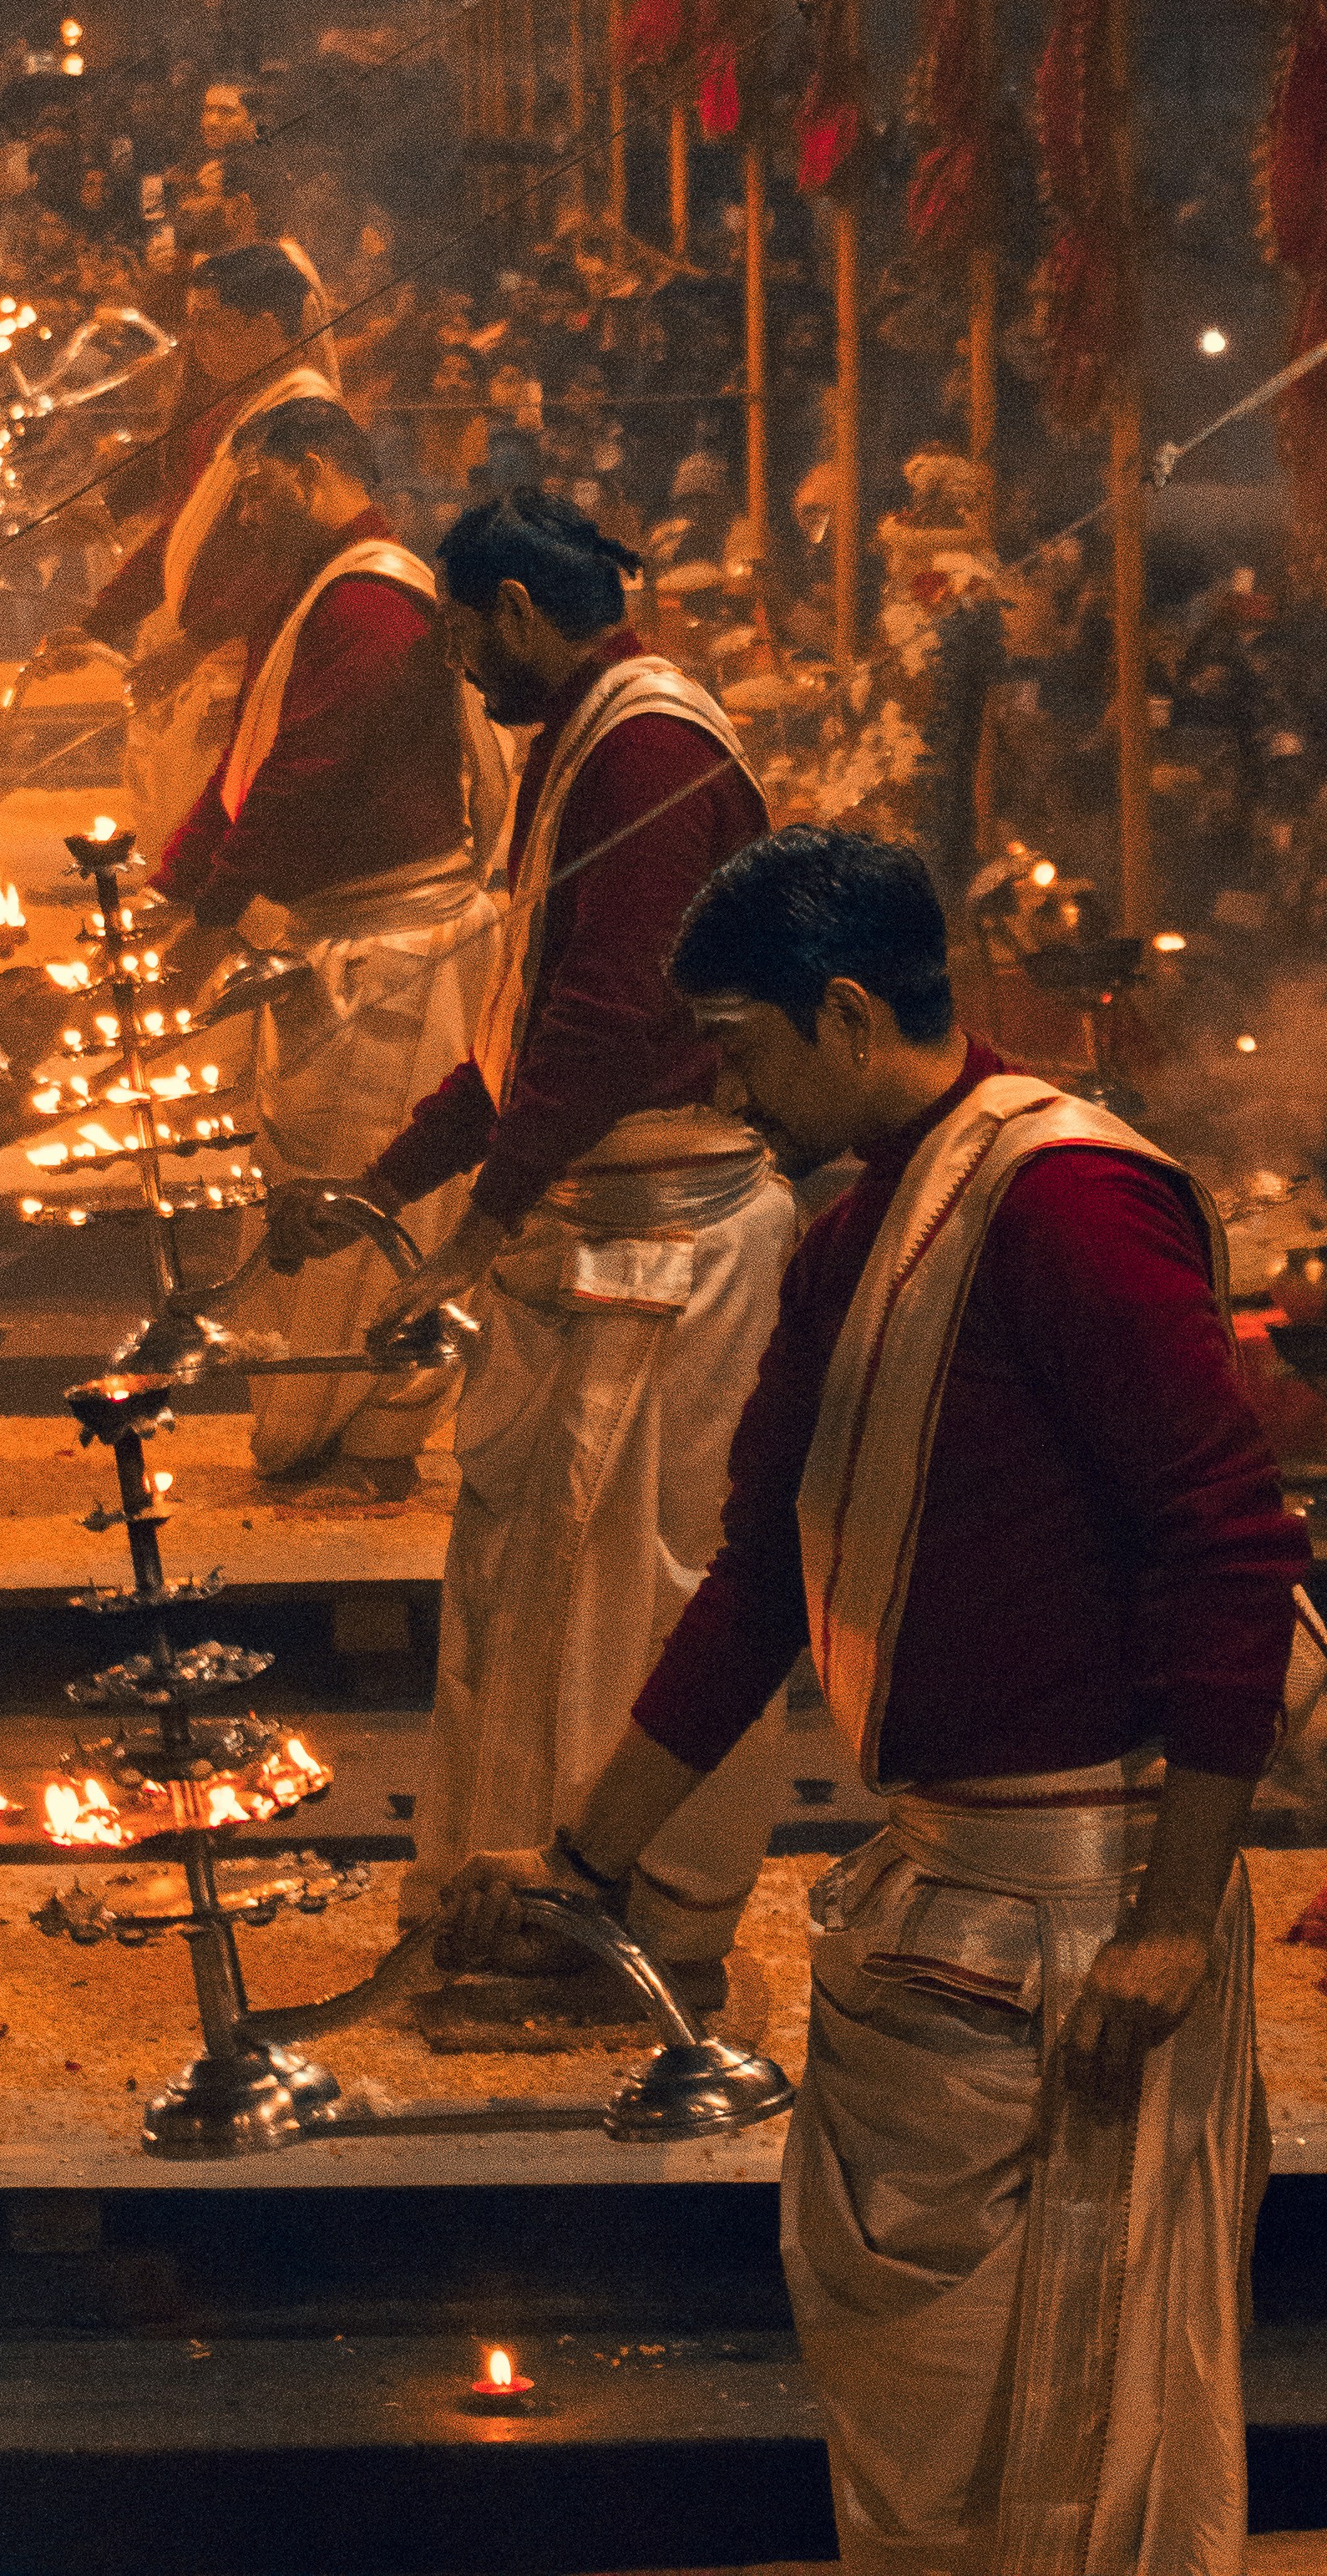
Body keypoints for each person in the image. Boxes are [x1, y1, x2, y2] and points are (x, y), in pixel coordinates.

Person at [436, 824, 1314, 2576]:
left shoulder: (1062, 1203)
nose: (721, 1095)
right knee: (935, 2462)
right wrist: (580, 1858)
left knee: (1065, 2457)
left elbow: (1226, 1545)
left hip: (1077, 1921)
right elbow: (756, 1574)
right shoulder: (853, 1235)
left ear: (844, 1016)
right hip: (942, 1897)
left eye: (740, 1050)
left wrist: (1169, 1918)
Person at [267, 488, 778, 1994]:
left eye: (468, 644)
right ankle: (517, 1901)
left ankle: (625, 1923)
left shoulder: (651, 747)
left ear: (510, 613)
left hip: (668, 1254)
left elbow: (613, 1020)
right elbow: (524, 1019)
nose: (464, 684)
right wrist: (389, 1180)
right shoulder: (583, 737)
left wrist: (466, 1235)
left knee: (633, 1607)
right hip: (597, 1236)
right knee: (528, 1591)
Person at [158, 396, 506, 1477]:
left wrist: (210, 922)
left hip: (392, 952)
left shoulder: (371, 607)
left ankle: (376, 1435)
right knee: (307, 1176)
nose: (246, 517)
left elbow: (302, 781)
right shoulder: (313, 594)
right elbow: (249, 765)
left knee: (363, 1195)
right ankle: (318, 1428)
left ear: (314, 470)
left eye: (259, 491)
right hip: (336, 940)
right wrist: (177, 891)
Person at [73, 243, 340, 847]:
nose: (194, 343)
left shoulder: (305, 422)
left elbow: (288, 562)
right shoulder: (228, 411)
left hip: (268, 663)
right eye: (190, 325)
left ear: (267, 327)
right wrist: (98, 623)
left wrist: (195, 644)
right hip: (211, 653)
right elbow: (183, 528)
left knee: (241, 833)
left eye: (211, 325)